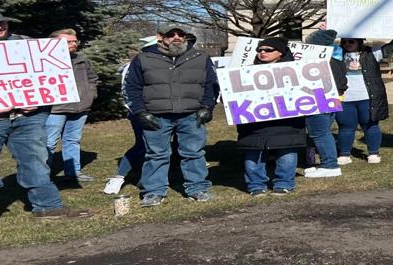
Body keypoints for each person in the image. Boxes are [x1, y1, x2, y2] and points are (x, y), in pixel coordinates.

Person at [0, 8, 92, 228]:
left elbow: (52, 76)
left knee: (36, 162)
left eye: (2, 23)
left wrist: (39, 99)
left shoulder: (27, 45)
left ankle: (48, 207)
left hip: (29, 117)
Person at [126, 24, 220, 205]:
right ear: (161, 37)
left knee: (194, 153)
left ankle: (198, 188)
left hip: (191, 115)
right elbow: (132, 88)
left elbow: (211, 86)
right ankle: (153, 192)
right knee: (156, 154)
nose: (176, 37)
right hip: (156, 115)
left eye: (181, 34)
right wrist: (140, 112)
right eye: (171, 34)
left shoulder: (200, 57)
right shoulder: (143, 58)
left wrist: (207, 106)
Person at [234, 38, 305, 196]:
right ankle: (256, 185)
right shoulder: (244, 72)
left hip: (287, 122)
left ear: (281, 52)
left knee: (286, 152)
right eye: (260, 50)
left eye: (268, 50)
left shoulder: (297, 71)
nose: (262, 53)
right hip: (254, 124)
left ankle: (284, 183)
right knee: (253, 154)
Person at [101, 38, 159, 196]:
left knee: (158, 147)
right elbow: (128, 91)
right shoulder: (134, 65)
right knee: (142, 145)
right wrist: (139, 111)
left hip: (162, 111)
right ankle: (119, 177)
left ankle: (146, 178)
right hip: (141, 113)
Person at [45, 28, 100, 184]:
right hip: (56, 109)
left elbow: (93, 78)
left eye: (75, 41)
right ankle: (43, 176)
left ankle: (73, 172)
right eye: (68, 41)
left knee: (73, 140)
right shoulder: (46, 60)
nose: (73, 44)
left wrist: (90, 95)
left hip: (81, 107)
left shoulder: (81, 59)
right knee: (49, 142)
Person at [336, 35, 393, 164]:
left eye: (351, 41)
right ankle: (344, 154)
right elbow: (319, 47)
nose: (347, 44)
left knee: (370, 124)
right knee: (345, 126)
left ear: (359, 42)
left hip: (368, 97)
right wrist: (324, 32)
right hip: (344, 98)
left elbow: (392, 47)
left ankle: (373, 153)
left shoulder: (372, 53)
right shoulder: (336, 53)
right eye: (344, 42)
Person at [302, 27, 348, 178]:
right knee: (318, 133)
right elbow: (342, 82)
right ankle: (311, 162)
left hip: (319, 100)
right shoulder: (335, 60)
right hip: (331, 100)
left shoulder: (318, 63)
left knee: (320, 133)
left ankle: (330, 165)